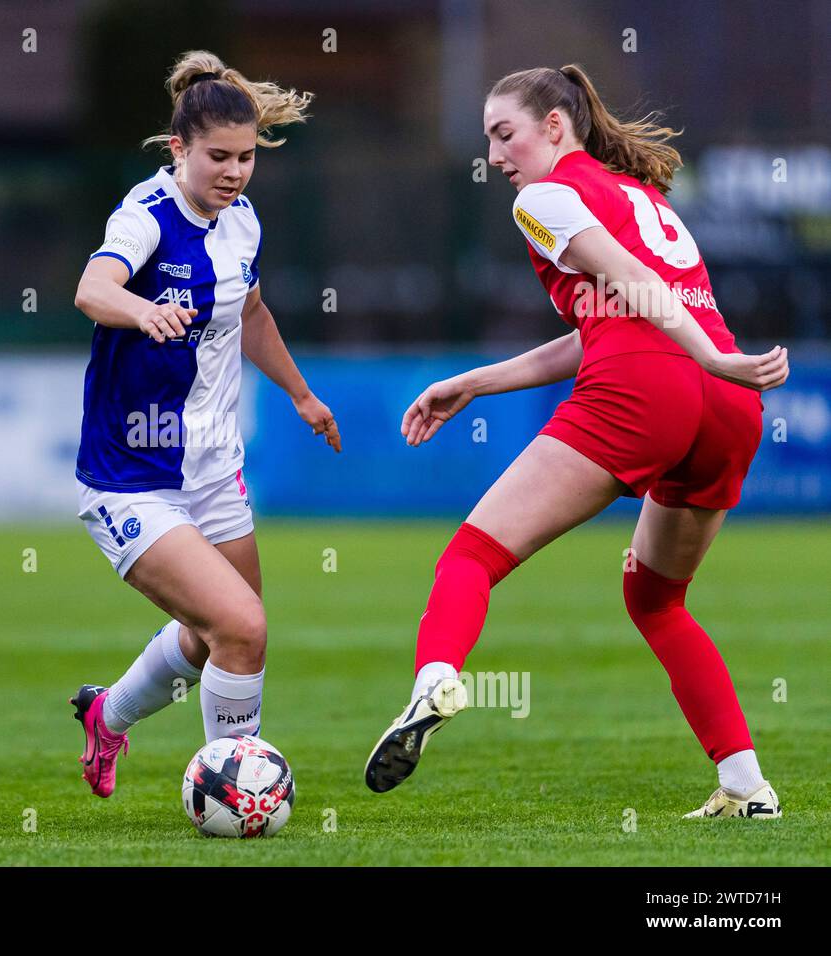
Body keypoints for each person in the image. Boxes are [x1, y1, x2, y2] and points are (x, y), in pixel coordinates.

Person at [363, 65, 789, 819]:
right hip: (727, 406)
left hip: (659, 383)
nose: (495, 156)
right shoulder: (641, 194)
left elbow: (629, 283)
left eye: (504, 134)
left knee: (472, 556)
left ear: (554, 127)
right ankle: (746, 786)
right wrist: (475, 382)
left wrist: (711, 355)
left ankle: (434, 679)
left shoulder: (544, 197)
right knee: (656, 599)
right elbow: (606, 319)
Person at [69, 51, 340, 798]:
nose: (234, 171)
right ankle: (235, 790)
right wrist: (143, 309)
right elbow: (93, 289)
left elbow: (250, 314)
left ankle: (107, 714)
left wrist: (300, 394)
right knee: (243, 627)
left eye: (247, 157)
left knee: (217, 636)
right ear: (177, 148)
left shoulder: (242, 221)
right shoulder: (146, 215)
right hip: (132, 478)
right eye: (218, 156)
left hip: (213, 469)